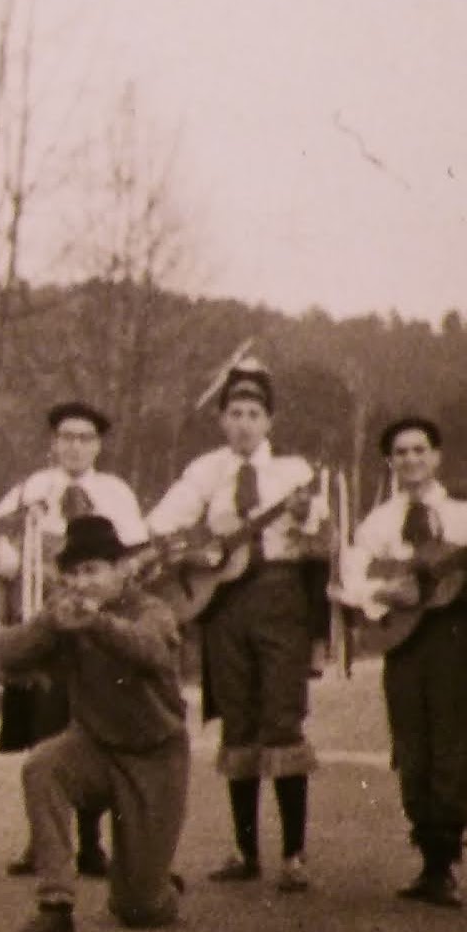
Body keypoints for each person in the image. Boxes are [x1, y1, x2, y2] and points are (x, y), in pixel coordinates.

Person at [145, 361, 328, 892]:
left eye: (254, 414)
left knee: (282, 719)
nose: (244, 424)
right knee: (238, 721)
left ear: (269, 421)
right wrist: (204, 538)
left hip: (281, 597)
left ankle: (294, 855)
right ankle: (244, 852)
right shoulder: (204, 473)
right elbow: (160, 524)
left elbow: (321, 546)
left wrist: (305, 523)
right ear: (221, 420)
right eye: (235, 414)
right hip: (224, 600)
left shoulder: (295, 474)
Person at [340, 417, 467, 908]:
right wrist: (385, 592)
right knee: (412, 741)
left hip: (454, 637)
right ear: (390, 462)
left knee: (453, 740)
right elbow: (352, 578)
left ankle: (445, 862)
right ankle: (425, 852)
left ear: (436, 457)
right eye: (401, 452)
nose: (411, 460)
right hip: (404, 640)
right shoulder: (377, 523)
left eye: (420, 450)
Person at [1, 516, 189, 932]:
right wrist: (48, 623)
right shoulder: (66, 615)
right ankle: (56, 902)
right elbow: (7, 656)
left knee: (140, 909)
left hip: (154, 756)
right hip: (95, 746)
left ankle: (155, 883)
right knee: (42, 766)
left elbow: (151, 652)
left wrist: (96, 623)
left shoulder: (150, 609)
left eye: (93, 571)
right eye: (73, 572)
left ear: (121, 569)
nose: (81, 582)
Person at [0, 401, 148, 879]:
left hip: (95, 624)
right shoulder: (31, 490)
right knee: (45, 726)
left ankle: (93, 843)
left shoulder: (114, 492)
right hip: (45, 619)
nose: (74, 446)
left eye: (84, 438)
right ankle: (43, 841)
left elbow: (135, 553)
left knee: (91, 720)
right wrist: (19, 563)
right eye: (66, 437)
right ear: (52, 442)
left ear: (97, 445)